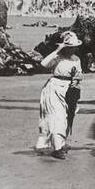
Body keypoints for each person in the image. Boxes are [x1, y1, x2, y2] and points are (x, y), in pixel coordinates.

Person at [35, 31, 82, 159]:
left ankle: (60, 143)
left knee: (67, 117)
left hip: (69, 89)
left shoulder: (76, 59)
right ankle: (57, 148)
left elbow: (78, 76)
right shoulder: (57, 57)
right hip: (54, 88)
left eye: (73, 47)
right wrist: (57, 50)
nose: (72, 50)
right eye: (69, 47)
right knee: (57, 118)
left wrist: (76, 85)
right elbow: (43, 64)